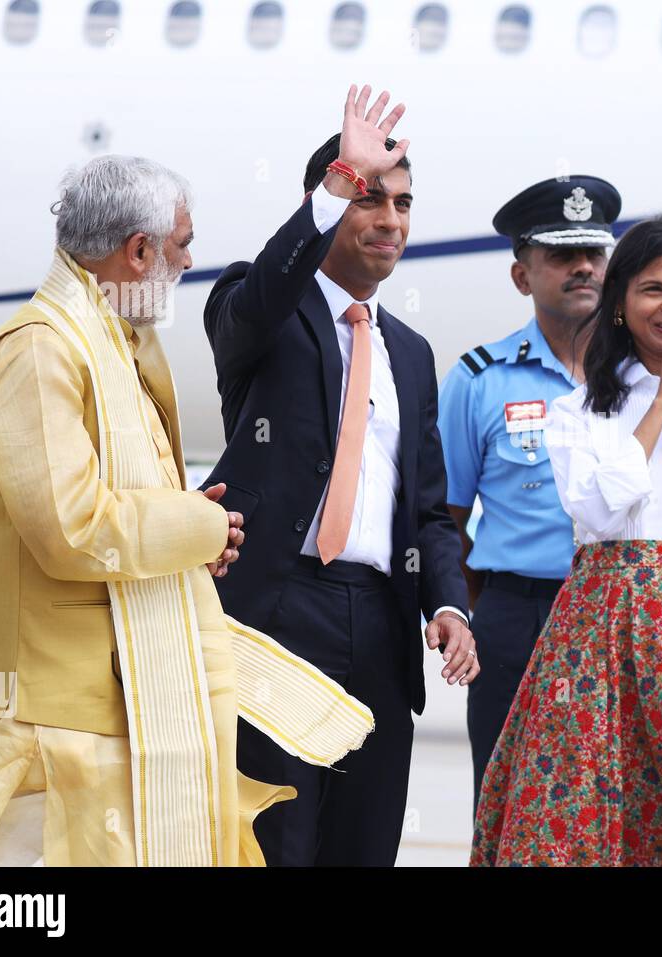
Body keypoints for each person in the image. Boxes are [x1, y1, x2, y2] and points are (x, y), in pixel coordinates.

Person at [0, 156, 372, 868]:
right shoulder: (42, 350)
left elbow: (125, 511)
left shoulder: (115, 346)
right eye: (182, 244)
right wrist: (199, 527)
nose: (190, 260)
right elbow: (71, 528)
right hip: (39, 729)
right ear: (138, 251)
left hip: (104, 712)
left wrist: (193, 535)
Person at [202, 84, 476, 867]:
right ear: (325, 202)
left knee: (363, 846)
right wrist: (335, 186)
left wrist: (449, 603)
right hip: (280, 609)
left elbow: (427, 511)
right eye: (370, 199)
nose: (390, 220)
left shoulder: (414, 355)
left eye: (402, 204)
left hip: (381, 627)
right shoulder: (258, 310)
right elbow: (261, 296)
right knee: (273, 842)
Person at [470, 211, 662, 866]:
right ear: (620, 303)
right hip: (594, 635)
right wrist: (660, 406)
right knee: (579, 801)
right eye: (653, 289)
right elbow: (598, 511)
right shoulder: (579, 411)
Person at [438, 175, 622, 808]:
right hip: (516, 618)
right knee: (508, 799)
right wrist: (484, 609)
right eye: (561, 255)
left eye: (594, 254)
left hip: (615, 615)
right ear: (523, 276)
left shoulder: (643, 381)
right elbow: (446, 517)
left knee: (611, 808)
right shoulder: (479, 380)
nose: (582, 268)